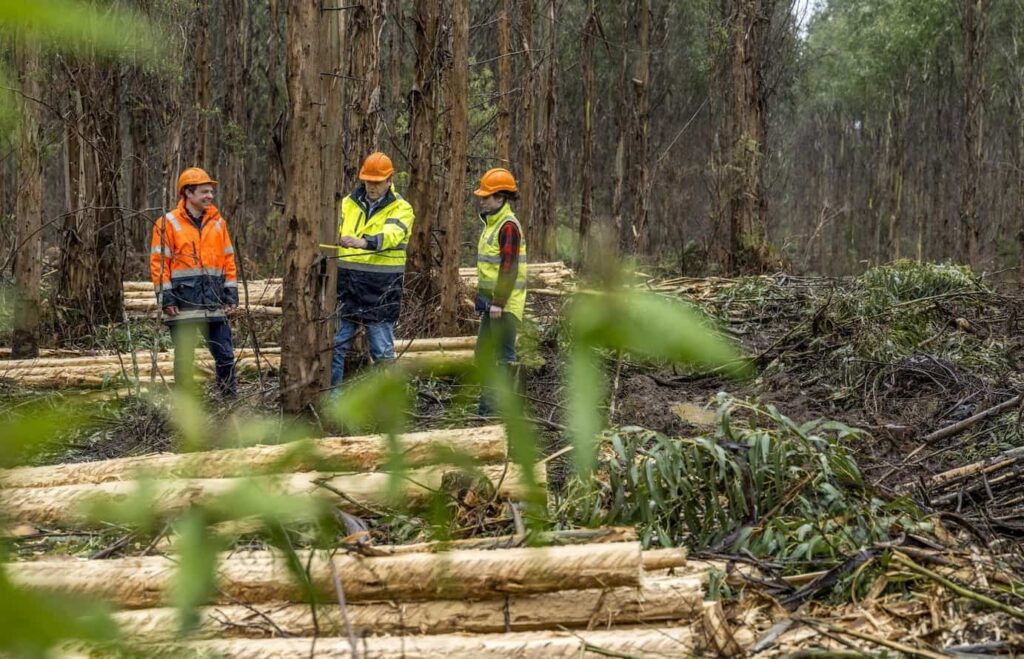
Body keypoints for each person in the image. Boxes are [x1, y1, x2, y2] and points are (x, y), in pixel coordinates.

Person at [149, 167, 238, 398]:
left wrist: (230, 293)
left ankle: (229, 401)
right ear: (188, 193)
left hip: (214, 302)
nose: (210, 196)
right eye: (204, 192)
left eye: (210, 192)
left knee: (226, 355)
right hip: (182, 302)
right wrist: (165, 297)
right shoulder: (167, 223)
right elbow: (159, 264)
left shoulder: (219, 223)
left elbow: (228, 260)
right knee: (184, 358)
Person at [332, 152, 415, 387]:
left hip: (380, 290)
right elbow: (331, 226)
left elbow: (392, 234)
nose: (372, 186)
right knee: (334, 348)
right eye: (368, 181)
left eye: (377, 182)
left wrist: (364, 241)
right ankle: (331, 403)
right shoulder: (347, 204)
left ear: (390, 180)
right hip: (346, 287)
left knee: (382, 355)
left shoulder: (401, 209)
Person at [472, 168, 527, 416]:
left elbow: (509, 267)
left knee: (502, 356)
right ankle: (487, 408)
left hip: (503, 305)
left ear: (501, 198)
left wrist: (499, 302)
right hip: (491, 303)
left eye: (486, 196)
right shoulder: (493, 224)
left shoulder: (508, 227)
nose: (482, 200)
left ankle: (501, 411)